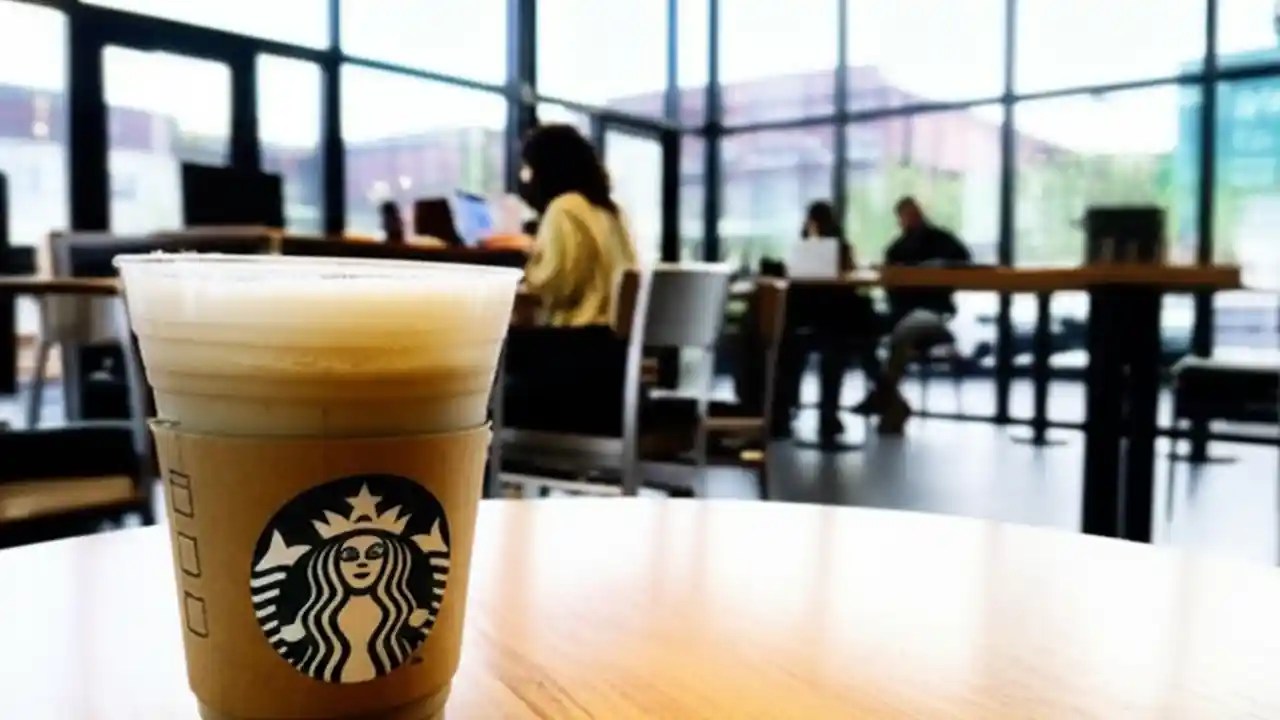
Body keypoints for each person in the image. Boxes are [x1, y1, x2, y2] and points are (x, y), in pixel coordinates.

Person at [503, 124, 638, 435]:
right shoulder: (609, 211)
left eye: (529, 168)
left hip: (578, 365)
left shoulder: (565, 208)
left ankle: (484, 471)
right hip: (613, 364)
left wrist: (520, 279)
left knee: (486, 361)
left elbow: (554, 286)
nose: (526, 178)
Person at [770, 201, 880, 445]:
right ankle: (826, 415)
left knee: (800, 349)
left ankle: (786, 413)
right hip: (831, 321)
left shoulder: (814, 250)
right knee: (828, 349)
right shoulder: (835, 249)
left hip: (818, 321)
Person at [870, 196, 972, 434]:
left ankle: (883, 397)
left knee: (904, 331)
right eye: (906, 215)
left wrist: (941, 267)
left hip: (934, 311)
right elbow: (889, 285)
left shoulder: (943, 240)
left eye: (913, 213)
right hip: (902, 312)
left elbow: (965, 264)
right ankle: (892, 402)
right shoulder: (895, 249)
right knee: (861, 335)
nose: (910, 218)